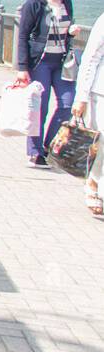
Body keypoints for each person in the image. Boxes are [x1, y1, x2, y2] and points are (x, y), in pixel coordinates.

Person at [13, 0, 80, 167]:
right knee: (39, 107)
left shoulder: (66, 1)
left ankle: (50, 145)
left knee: (67, 105)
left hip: (61, 62)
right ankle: (35, 152)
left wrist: (70, 32)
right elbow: (23, 35)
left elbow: (64, 27)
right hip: (40, 61)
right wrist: (22, 68)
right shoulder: (35, 2)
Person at [72, 11, 104, 217]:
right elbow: (91, 57)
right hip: (101, 92)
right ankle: (93, 183)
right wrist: (81, 96)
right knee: (101, 143)